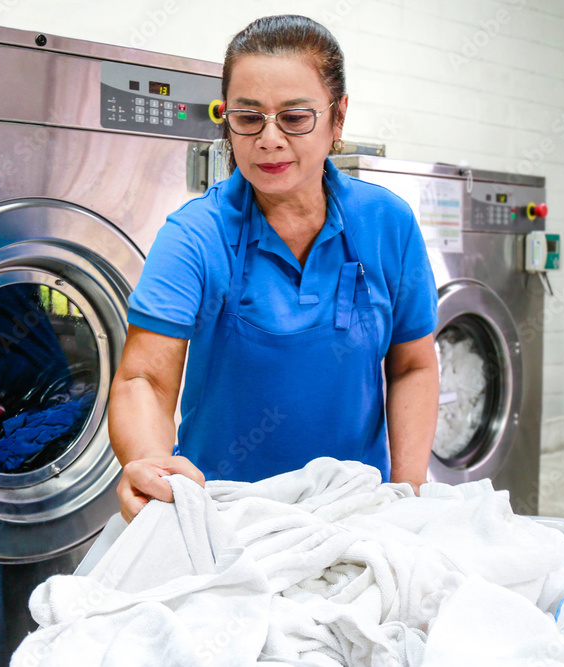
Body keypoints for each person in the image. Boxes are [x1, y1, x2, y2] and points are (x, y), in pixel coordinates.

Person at [108, 15, 439, 522]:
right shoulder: (196, 234)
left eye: (294, 117)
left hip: (358, 511)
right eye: (247, 117)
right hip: (224, 516)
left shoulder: (386, 223)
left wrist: (407, 495)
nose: (269, 139)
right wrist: (150, 464)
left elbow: (412, 364)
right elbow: (144, 381)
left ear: (338, 118)